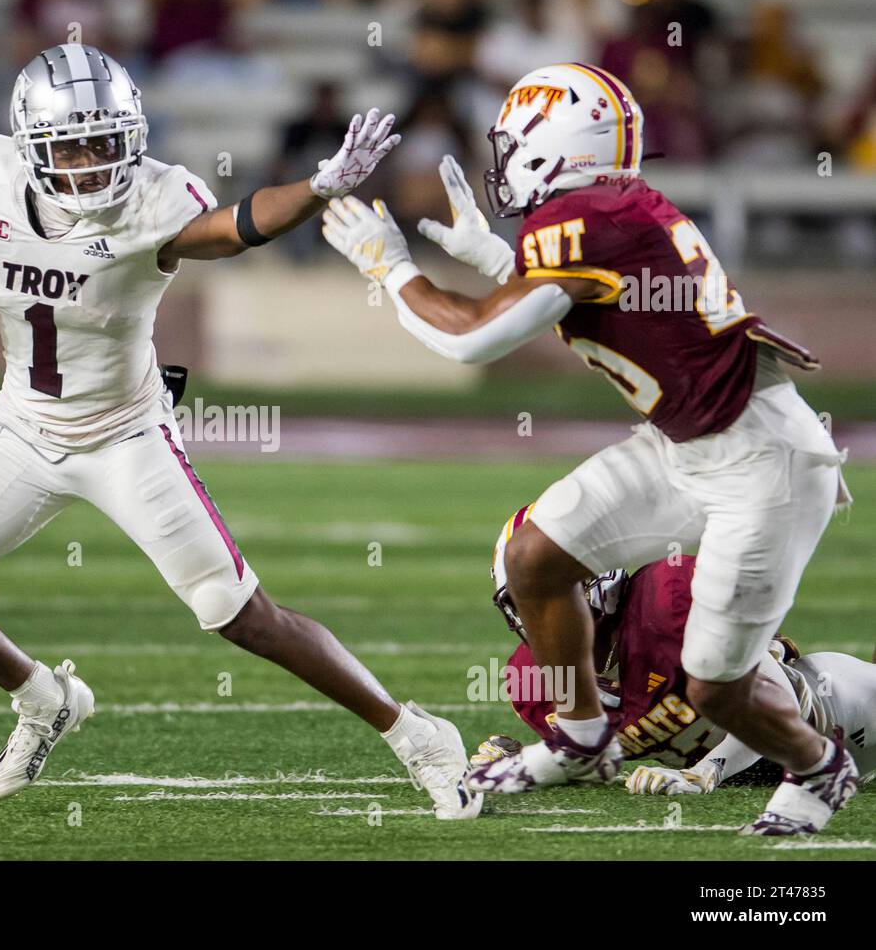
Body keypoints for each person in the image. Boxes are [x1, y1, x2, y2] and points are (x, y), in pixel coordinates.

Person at [0, 43, 479, 819]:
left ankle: (419, 735)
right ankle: (43, 696)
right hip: (20, 428)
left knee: (240, 613)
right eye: (72, 146)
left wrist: (319, 187)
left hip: (127, 435)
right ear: (28, 149)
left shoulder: (154, 200)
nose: (92, 163)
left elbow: (231, 228)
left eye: (107, 142)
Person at [320, 62, 857, 835]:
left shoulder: (589, 221)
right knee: (534, 557)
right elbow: (602, 312)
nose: (502, 162)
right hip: (690, 443)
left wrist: (391, 268)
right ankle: (578, 735)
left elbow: (473, 341)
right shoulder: (608, 211)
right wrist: (491, 260)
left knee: (715, 687)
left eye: (513, 146)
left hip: (759, 462)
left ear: (552, 149)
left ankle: (818, 765)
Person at [474, 505, 876, 795]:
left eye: (554, 591)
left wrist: (706, 774)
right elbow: (594, 759)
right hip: (766, 778)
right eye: (525, 600)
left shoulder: (669, 599)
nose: (542, 610)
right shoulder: (536, 683)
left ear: (598, 576)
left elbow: (777, 701)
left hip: (841, 720)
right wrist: (524, 762)